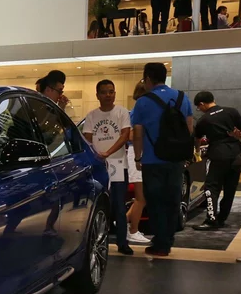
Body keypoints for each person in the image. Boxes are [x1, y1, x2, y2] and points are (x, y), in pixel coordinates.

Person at [131, 63, 194, 257]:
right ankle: (168, 240)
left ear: (148, 78)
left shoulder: (143, 102)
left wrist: (138, 157)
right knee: (173, 199)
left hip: (152, 159)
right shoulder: (182, 98)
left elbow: (138, 133)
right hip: (175, 160)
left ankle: (160, 243)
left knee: (155, 200)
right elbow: (189, 128)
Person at [83, 80, 133, 255]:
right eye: (104, 92)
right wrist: (97, 155)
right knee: (99, 204)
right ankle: (98, 241)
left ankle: (122, 242)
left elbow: (125, 135)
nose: (108, 95)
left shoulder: (122, 112)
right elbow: (87, 138)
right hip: (98, 166)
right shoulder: (91, 116)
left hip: (118, 165)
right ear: (97, 95)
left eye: (111, 91)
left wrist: (108, 152)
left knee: (119, 205)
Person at [192, 91, 241, 230]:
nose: (199, 109)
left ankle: (211, 220)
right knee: (230, 189)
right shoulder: (232, 111)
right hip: (236, 153)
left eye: (198, 107)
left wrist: (197, 153)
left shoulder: (204, 120)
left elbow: (197, 139)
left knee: (211, 187)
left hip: (218, 154)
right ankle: (222, 219)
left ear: (202, 104)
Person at [126, 82, 151, 244]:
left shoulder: (138, 109)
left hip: (139, 153)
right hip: (137, 153)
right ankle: (133, 231)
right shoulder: (139, 110)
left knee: (142, 197)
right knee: (141, 198)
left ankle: (125, 225)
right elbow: (131, 135)